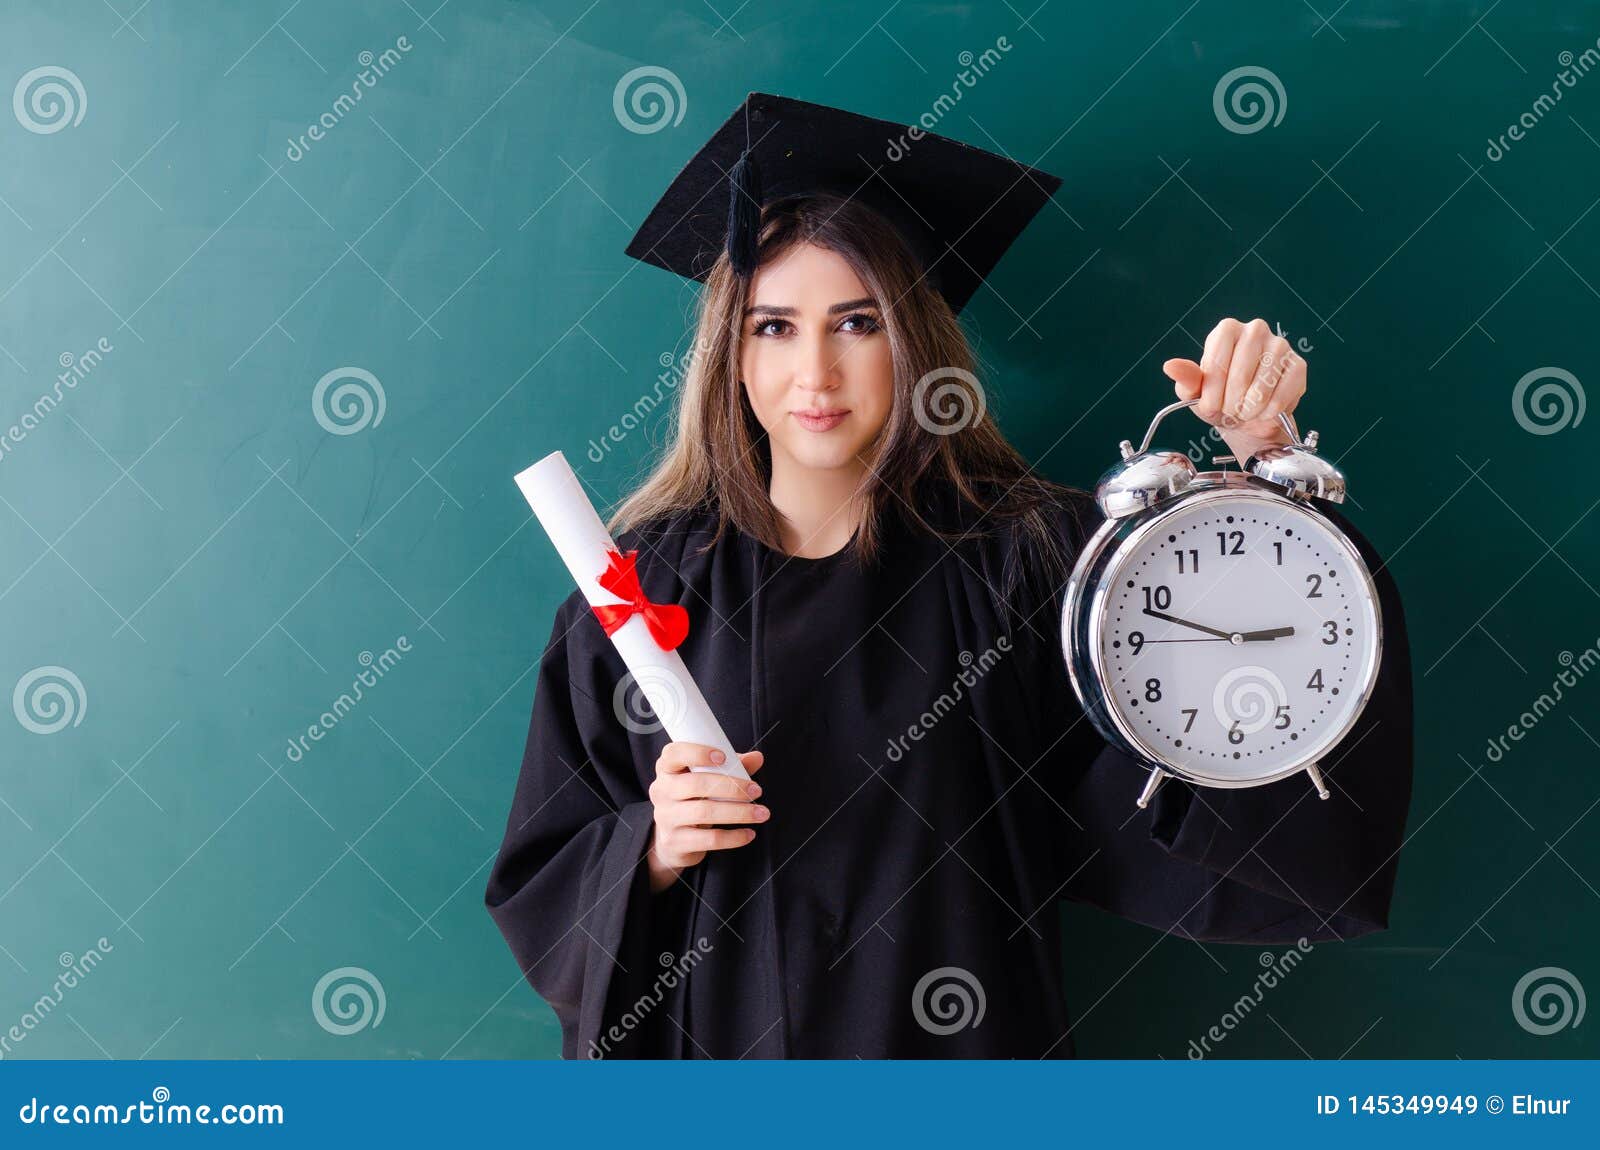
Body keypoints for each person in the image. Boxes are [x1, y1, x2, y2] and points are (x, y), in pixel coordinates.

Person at [485, 93, 1412, 1059]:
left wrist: (1258, 470)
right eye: (772, 327)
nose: (815, 374)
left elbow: (1240, 711)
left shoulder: (1037, 558)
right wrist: (655, 846)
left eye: (856, 322)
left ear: (914, 339)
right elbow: (543, 878)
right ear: (729, 353)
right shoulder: (639, 594)